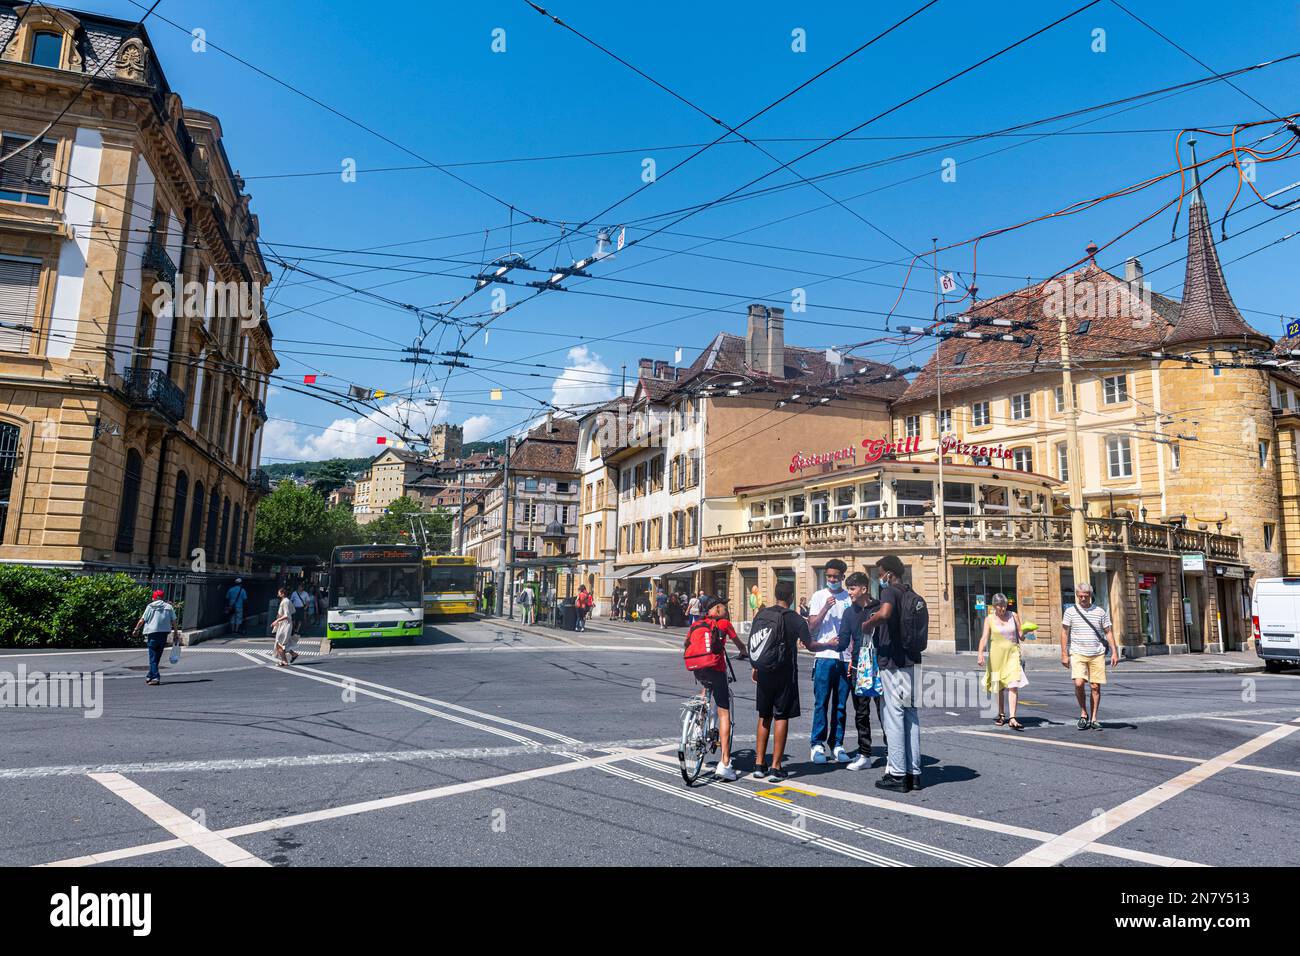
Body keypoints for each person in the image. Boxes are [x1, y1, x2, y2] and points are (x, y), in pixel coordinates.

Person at [809, 571, 885, 770]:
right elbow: (842, 642)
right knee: (861, 713)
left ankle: (893, 752)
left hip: (880, 668)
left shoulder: (880, 608)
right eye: (849, 589)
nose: (849, 593)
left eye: (852, 589)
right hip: (858, 668)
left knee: (884, 712)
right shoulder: (849, 613)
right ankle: (864, 754)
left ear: (864, 589)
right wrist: (821, 645)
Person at [749, 580, 817, 782]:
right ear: (791, 597)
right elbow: (810, 645)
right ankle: (776, 767)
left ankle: (759, 764)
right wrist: (829, 644)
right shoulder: (795, 618)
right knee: (781, 716)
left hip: (764, 671)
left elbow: (756, 642)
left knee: (764, 716)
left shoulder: (762, 614)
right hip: (784, 673)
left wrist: (755, 667)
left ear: (776, 594)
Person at [867, 555, 924, 792]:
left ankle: (898, 774)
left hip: (893, 662)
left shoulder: (890, 592)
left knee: (893, 716)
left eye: (880, 573)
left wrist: (868, 623)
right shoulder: (912, 593)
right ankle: (914, 773)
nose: (879, 577)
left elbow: (885, 614)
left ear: (889, 573)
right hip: (912, 662)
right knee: (911, 716)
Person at [684, 597, 748, 780]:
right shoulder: (724, 623)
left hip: (697, 668)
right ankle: (725, 763)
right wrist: (744, 652)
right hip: (716, 668)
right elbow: (739, 644)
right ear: (717, 608)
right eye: (724, 606)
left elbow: (688, 645)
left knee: (705, 690)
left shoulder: (698, 624)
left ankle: (698, 726)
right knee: (724, 712)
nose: (726, 609)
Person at [807, 559, 854, 765]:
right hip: (824, 656)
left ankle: (837, 743)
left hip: (844, 658)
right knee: (821, 702)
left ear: (843, 577)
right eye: (829, 576)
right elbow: (811, 627)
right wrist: (825, 608)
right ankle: (817, 744)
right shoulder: (818, 596)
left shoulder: (849, 598)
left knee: (841, 704)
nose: (832, 580)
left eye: (836, 576)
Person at [1060, 583, 1117, 730]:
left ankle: (1094, 718)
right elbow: (1064, 632)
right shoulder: (1070, 612)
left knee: (1095, 687)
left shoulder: (1100, 611)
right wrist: (1064, 654)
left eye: (1086, 596)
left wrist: (1114, 651)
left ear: (1090, 595)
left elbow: (1108, 632)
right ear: (1077, 595)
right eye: (1080, 596)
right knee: (1078, 683)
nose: (1083, 598)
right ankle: (1083, 713)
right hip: (1077, 652)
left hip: (1097, 654)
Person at [979, 593, 1028, 730]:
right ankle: (1001, 714)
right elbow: (984, 638)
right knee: (999, 687)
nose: (1003, 609)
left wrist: (1025, 631)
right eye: (1000, 606)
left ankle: (1012, 717)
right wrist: (980, 654)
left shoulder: (1014, 615)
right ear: (994, 606)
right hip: (996, 657)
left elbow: (1021, 636)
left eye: (1005, 606)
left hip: (1012, 654)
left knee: (1013, 684)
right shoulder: (989, 619)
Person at [135, 590, 180, 686]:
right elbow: (174, 621)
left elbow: (142, 620)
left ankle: (155, 677)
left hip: (153, 633)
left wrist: (136, 629)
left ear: (154, 597)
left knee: (152, 656)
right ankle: (150, 675)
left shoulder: (150, 606)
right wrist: (176, 633)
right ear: (162, 597)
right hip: (164, 634)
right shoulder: (169, 607)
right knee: (157, 656)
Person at [271, 586, 298, 666]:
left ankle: (284, 661)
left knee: (279, 643)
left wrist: (276, 620)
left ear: (282, 594)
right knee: (284, 643)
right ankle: (293, 655)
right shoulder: (287, 601)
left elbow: (287, 615)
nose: (278, 594)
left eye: (279, 593)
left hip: (285, 624)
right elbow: (293, 610)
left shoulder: (285, 602)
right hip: (285, 624)